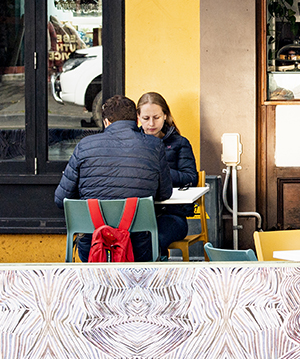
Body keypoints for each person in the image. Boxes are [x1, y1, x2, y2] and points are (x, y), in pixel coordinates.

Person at [55, 94, 175, 262]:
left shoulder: (84, 146)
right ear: (137, 120)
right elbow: (165, 193)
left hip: (94, 248)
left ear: (106, 122)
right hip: (137, 247)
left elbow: (61, 199)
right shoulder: (154, 146)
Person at [137, 91, 200, 237]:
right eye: (146, 118)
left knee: (154, 238)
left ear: (165, 116)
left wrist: (159, 172)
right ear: (138, 117)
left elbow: (191, 178)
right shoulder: (132, 144)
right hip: (138, 212)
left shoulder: (179, 142)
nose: (151, 123)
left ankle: (160, 258)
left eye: (156, 117)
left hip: (172, 213)